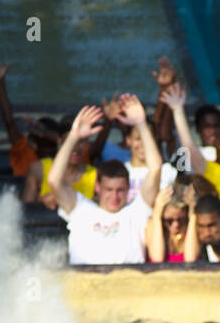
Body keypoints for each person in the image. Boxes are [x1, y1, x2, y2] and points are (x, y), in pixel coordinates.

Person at [47, 97, 162, 265]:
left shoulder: (137, 212)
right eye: (109, 190)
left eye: (120, 190)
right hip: (85, 285)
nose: (114, 196)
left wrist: (142, 124)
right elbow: (54, 180)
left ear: (129, 188)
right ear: (98, 187)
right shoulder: (80, 209)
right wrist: (73, 137)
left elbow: (156, 167)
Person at [0, 52, 59, 176]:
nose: (48, 151)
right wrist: (0, 82)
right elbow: (9, 121)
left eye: (52, 147)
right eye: (45, 145)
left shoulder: (63, 159)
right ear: (35, 141)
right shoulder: (24, 151)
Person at [145, 184, 200, 263]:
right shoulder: (153, 225)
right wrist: (157, 216)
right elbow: (157, 259)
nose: (176, 224)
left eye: (181, 219)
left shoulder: (192, 225)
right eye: (169, 220)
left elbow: (191, 259)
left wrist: (193, 215)